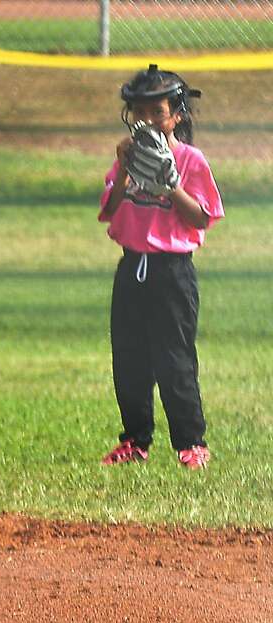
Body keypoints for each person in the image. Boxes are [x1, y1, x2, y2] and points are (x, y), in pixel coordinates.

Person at [99, 65, 223, 470]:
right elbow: (110, 209)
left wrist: (172, 185)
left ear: (177, 115)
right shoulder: (127, 155)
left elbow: (201, 218)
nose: (148, 119)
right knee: (129, 357)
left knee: (174, 359)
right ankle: (135, 439)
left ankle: (192, 442)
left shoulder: (190, 159)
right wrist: (124, 169)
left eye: (158, 112)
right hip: (132, 267)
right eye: (140, 111)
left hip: (172, 272)